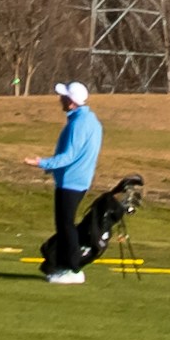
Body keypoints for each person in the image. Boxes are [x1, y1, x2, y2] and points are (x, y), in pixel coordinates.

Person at [31, 80, 101, 279]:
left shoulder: (78, 124)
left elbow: (69, 156)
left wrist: (42, 163)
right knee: (65, 225)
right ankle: (63, 264)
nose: (60, 99)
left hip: (71, 181)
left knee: (65, 226)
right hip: (77, 179)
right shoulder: (90, 121)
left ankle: (72, 268)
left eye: (63, 97)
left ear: (71, 102)